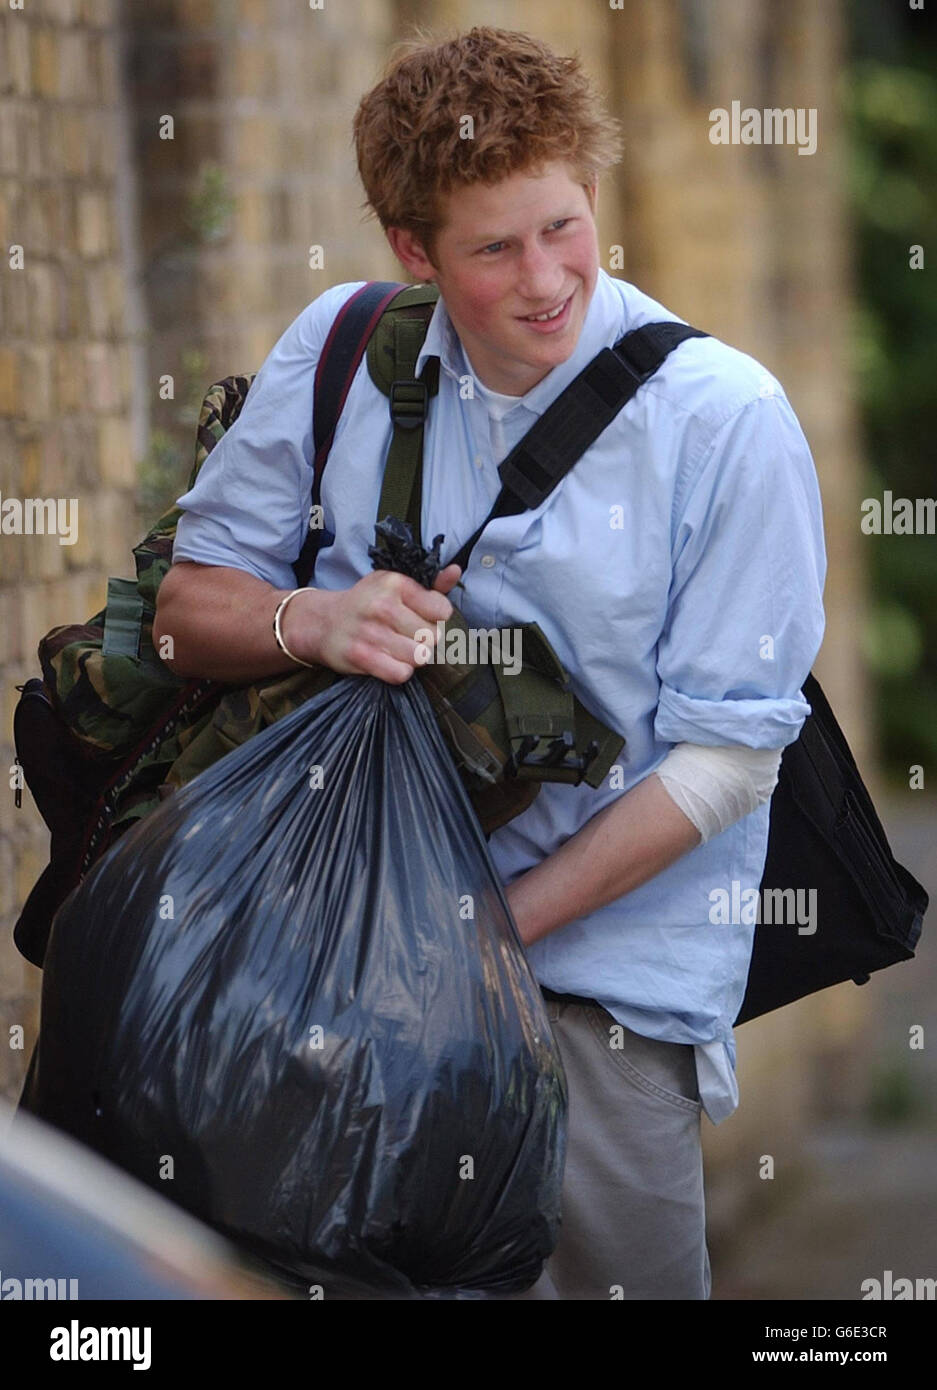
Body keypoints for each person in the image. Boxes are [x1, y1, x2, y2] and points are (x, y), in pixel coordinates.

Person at [153, 26, 826, 1299]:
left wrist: (477, 940)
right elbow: (186, 614)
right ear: (412, 251)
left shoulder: (724, 422)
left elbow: (732, 759)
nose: (546, 282)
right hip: (326, 988)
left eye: (564, 227)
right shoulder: (346, 351)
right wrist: (317, 619)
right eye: (494, 249)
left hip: (596, 1015)